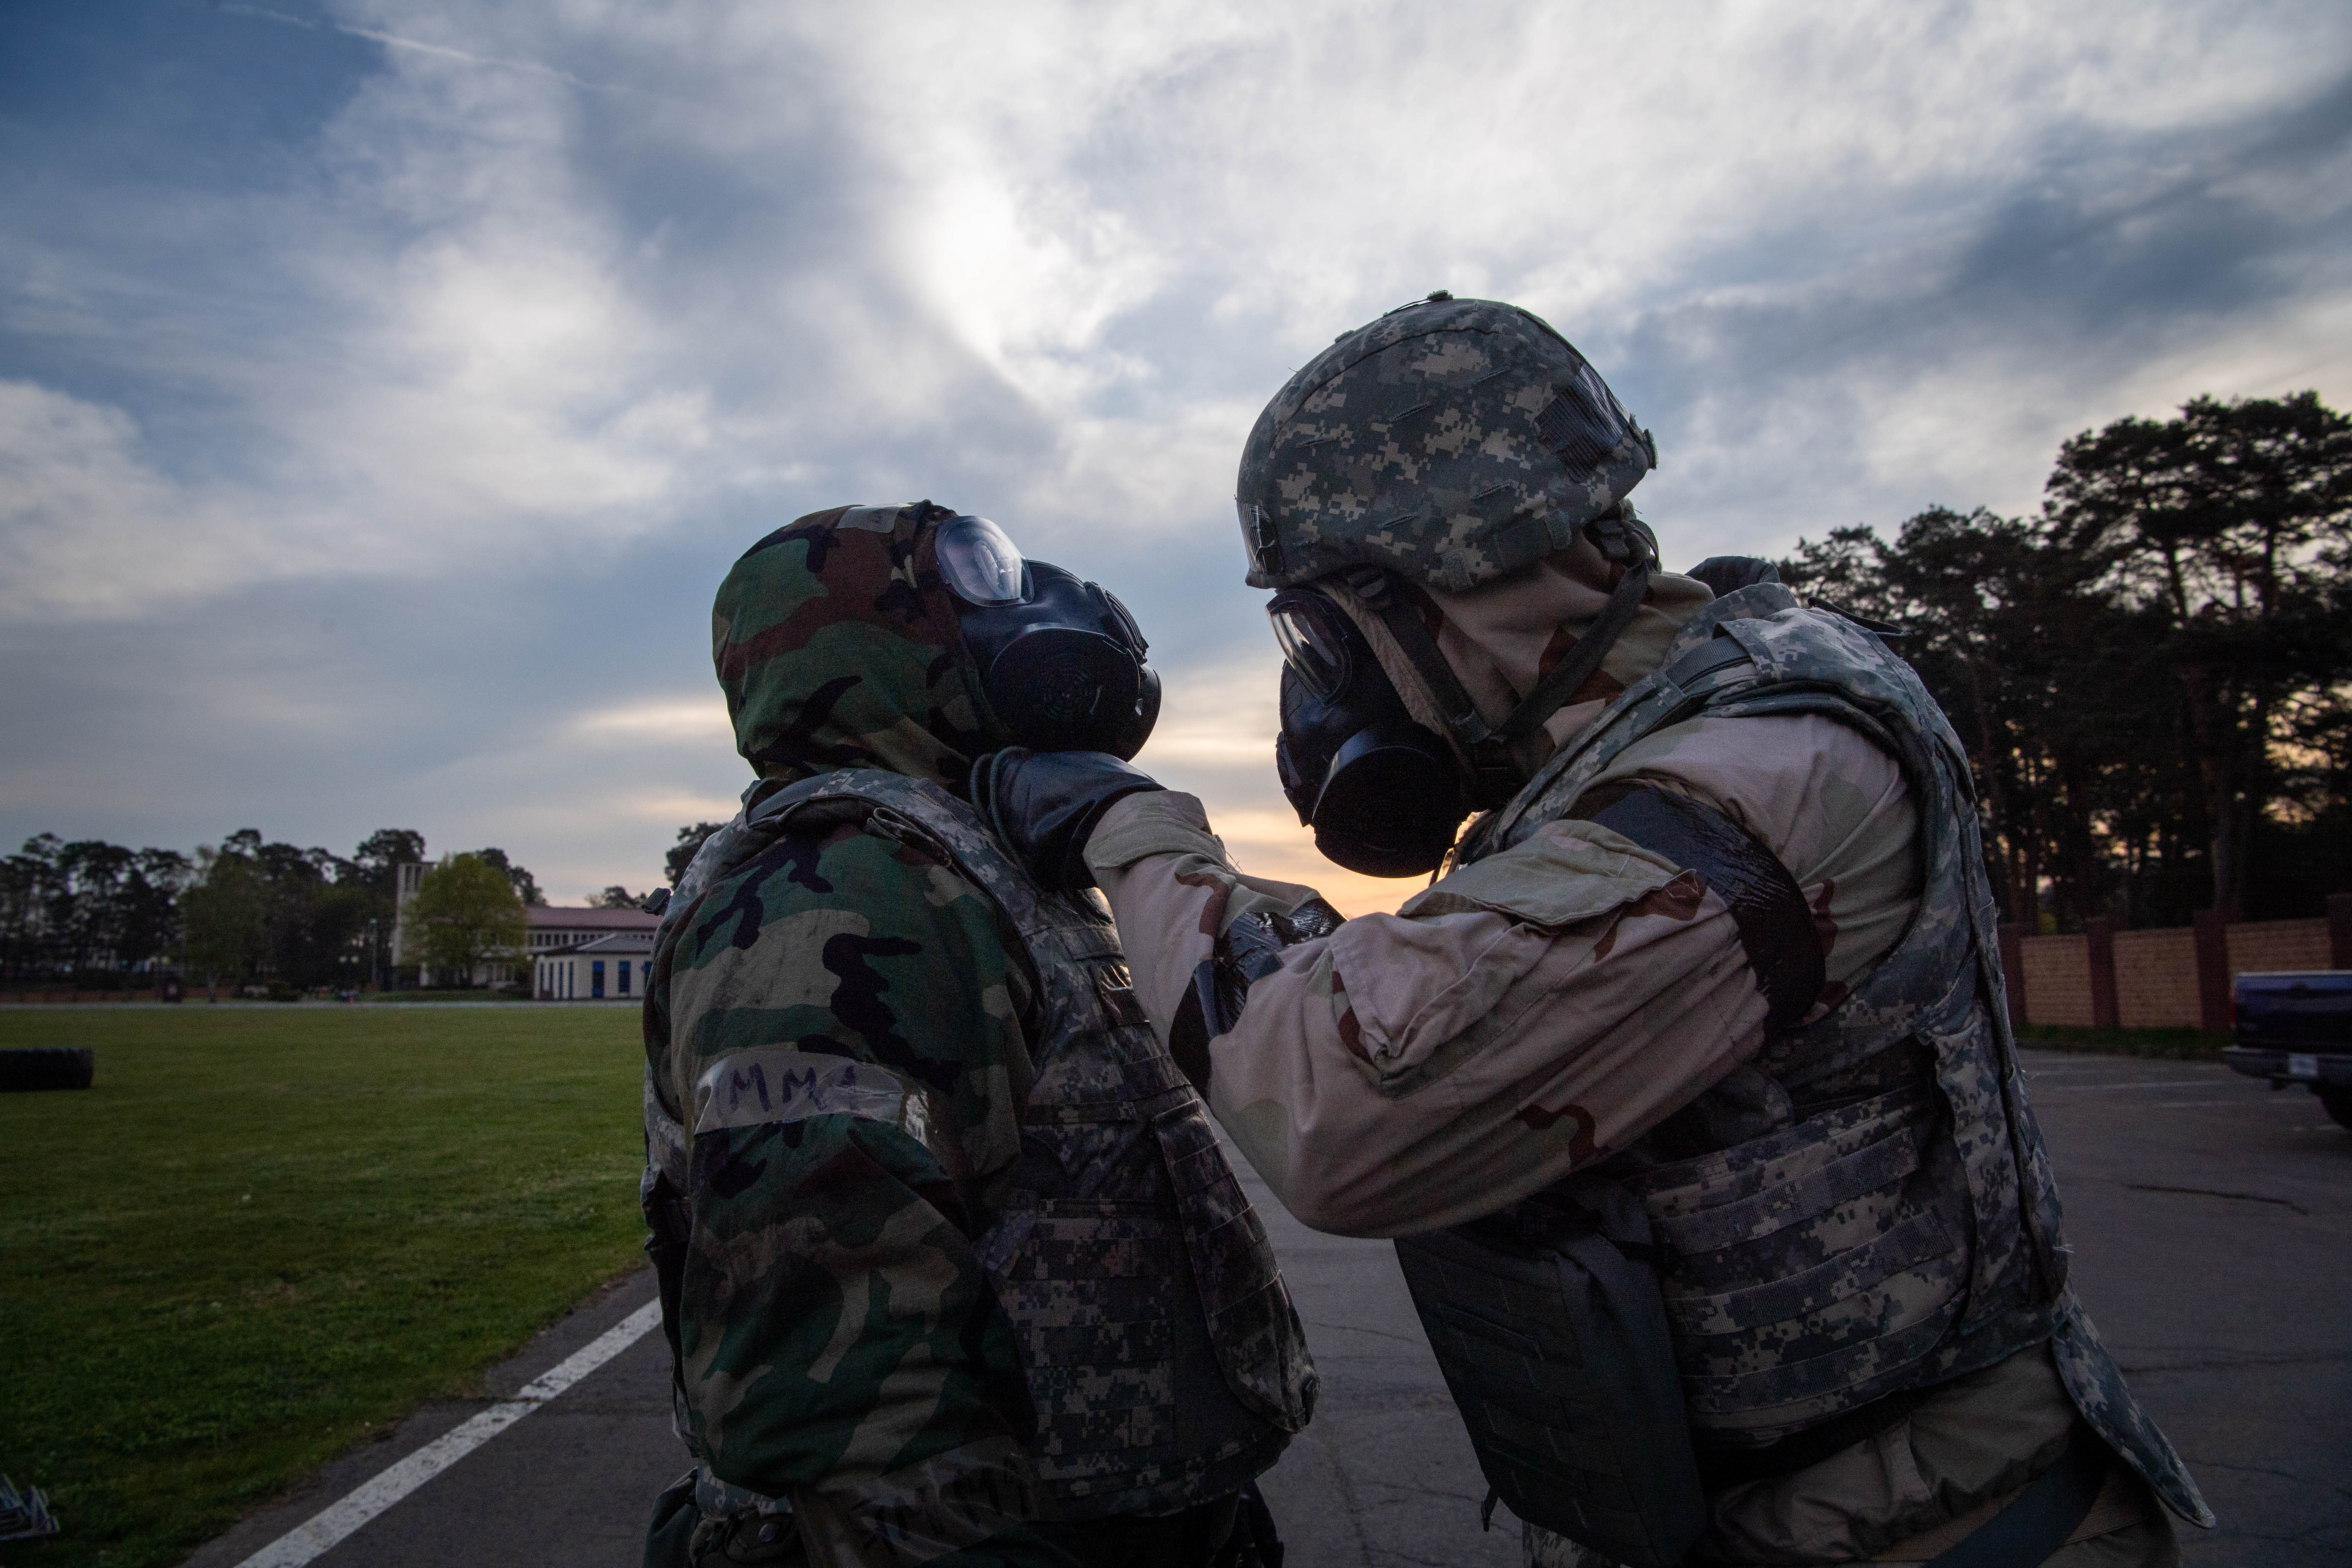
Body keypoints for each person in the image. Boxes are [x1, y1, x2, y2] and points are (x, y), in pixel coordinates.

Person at [971, 296, 2211, 1567]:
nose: (1324, 682)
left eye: (1320, 631)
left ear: (1432, 590)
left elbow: (1342, 1109)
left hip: (1924, 1530)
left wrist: (1136, 835)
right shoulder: (1620, 761)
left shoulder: (1765, 769)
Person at [640, 502, 1314, 1568]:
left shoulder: (967, 864)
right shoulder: (840, 889)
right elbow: (838, 1357)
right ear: (870, 640)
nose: (1026, 605)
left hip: (1123, 1523)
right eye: (974, 579)